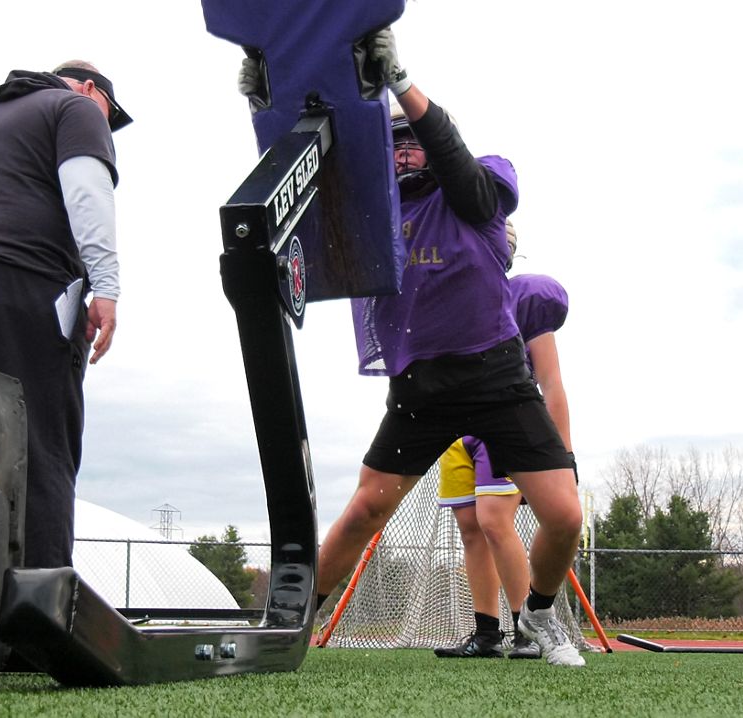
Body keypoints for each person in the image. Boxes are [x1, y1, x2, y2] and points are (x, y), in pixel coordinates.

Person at [290, 28, 584, 667]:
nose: (402, 155)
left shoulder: (475, 197)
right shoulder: (374, 215)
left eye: (412, 143)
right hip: (422, 387)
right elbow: (313, 174)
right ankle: (294, 616)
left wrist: (400, 82)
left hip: (498, 377)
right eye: (391, 147)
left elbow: (455, 160)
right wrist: (282, 104)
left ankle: (535, 614)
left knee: (563, 515)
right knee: (367, 507)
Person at [0, 60, 132, 569]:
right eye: (109, 114)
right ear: (90, 88)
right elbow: (86, 192)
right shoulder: (76, 107)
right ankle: (41, 623)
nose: (107, 126)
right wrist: (106, 286)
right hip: (20, 279)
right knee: (41, 448)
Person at [433, 249, 579, 660]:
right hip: (456, 430)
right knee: (471, 529)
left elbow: (551, 383)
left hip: (505, 423)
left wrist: (562, 456)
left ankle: (527, 628)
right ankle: (487, 633)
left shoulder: (523, 300)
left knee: (495, 520)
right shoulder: (443, 306)